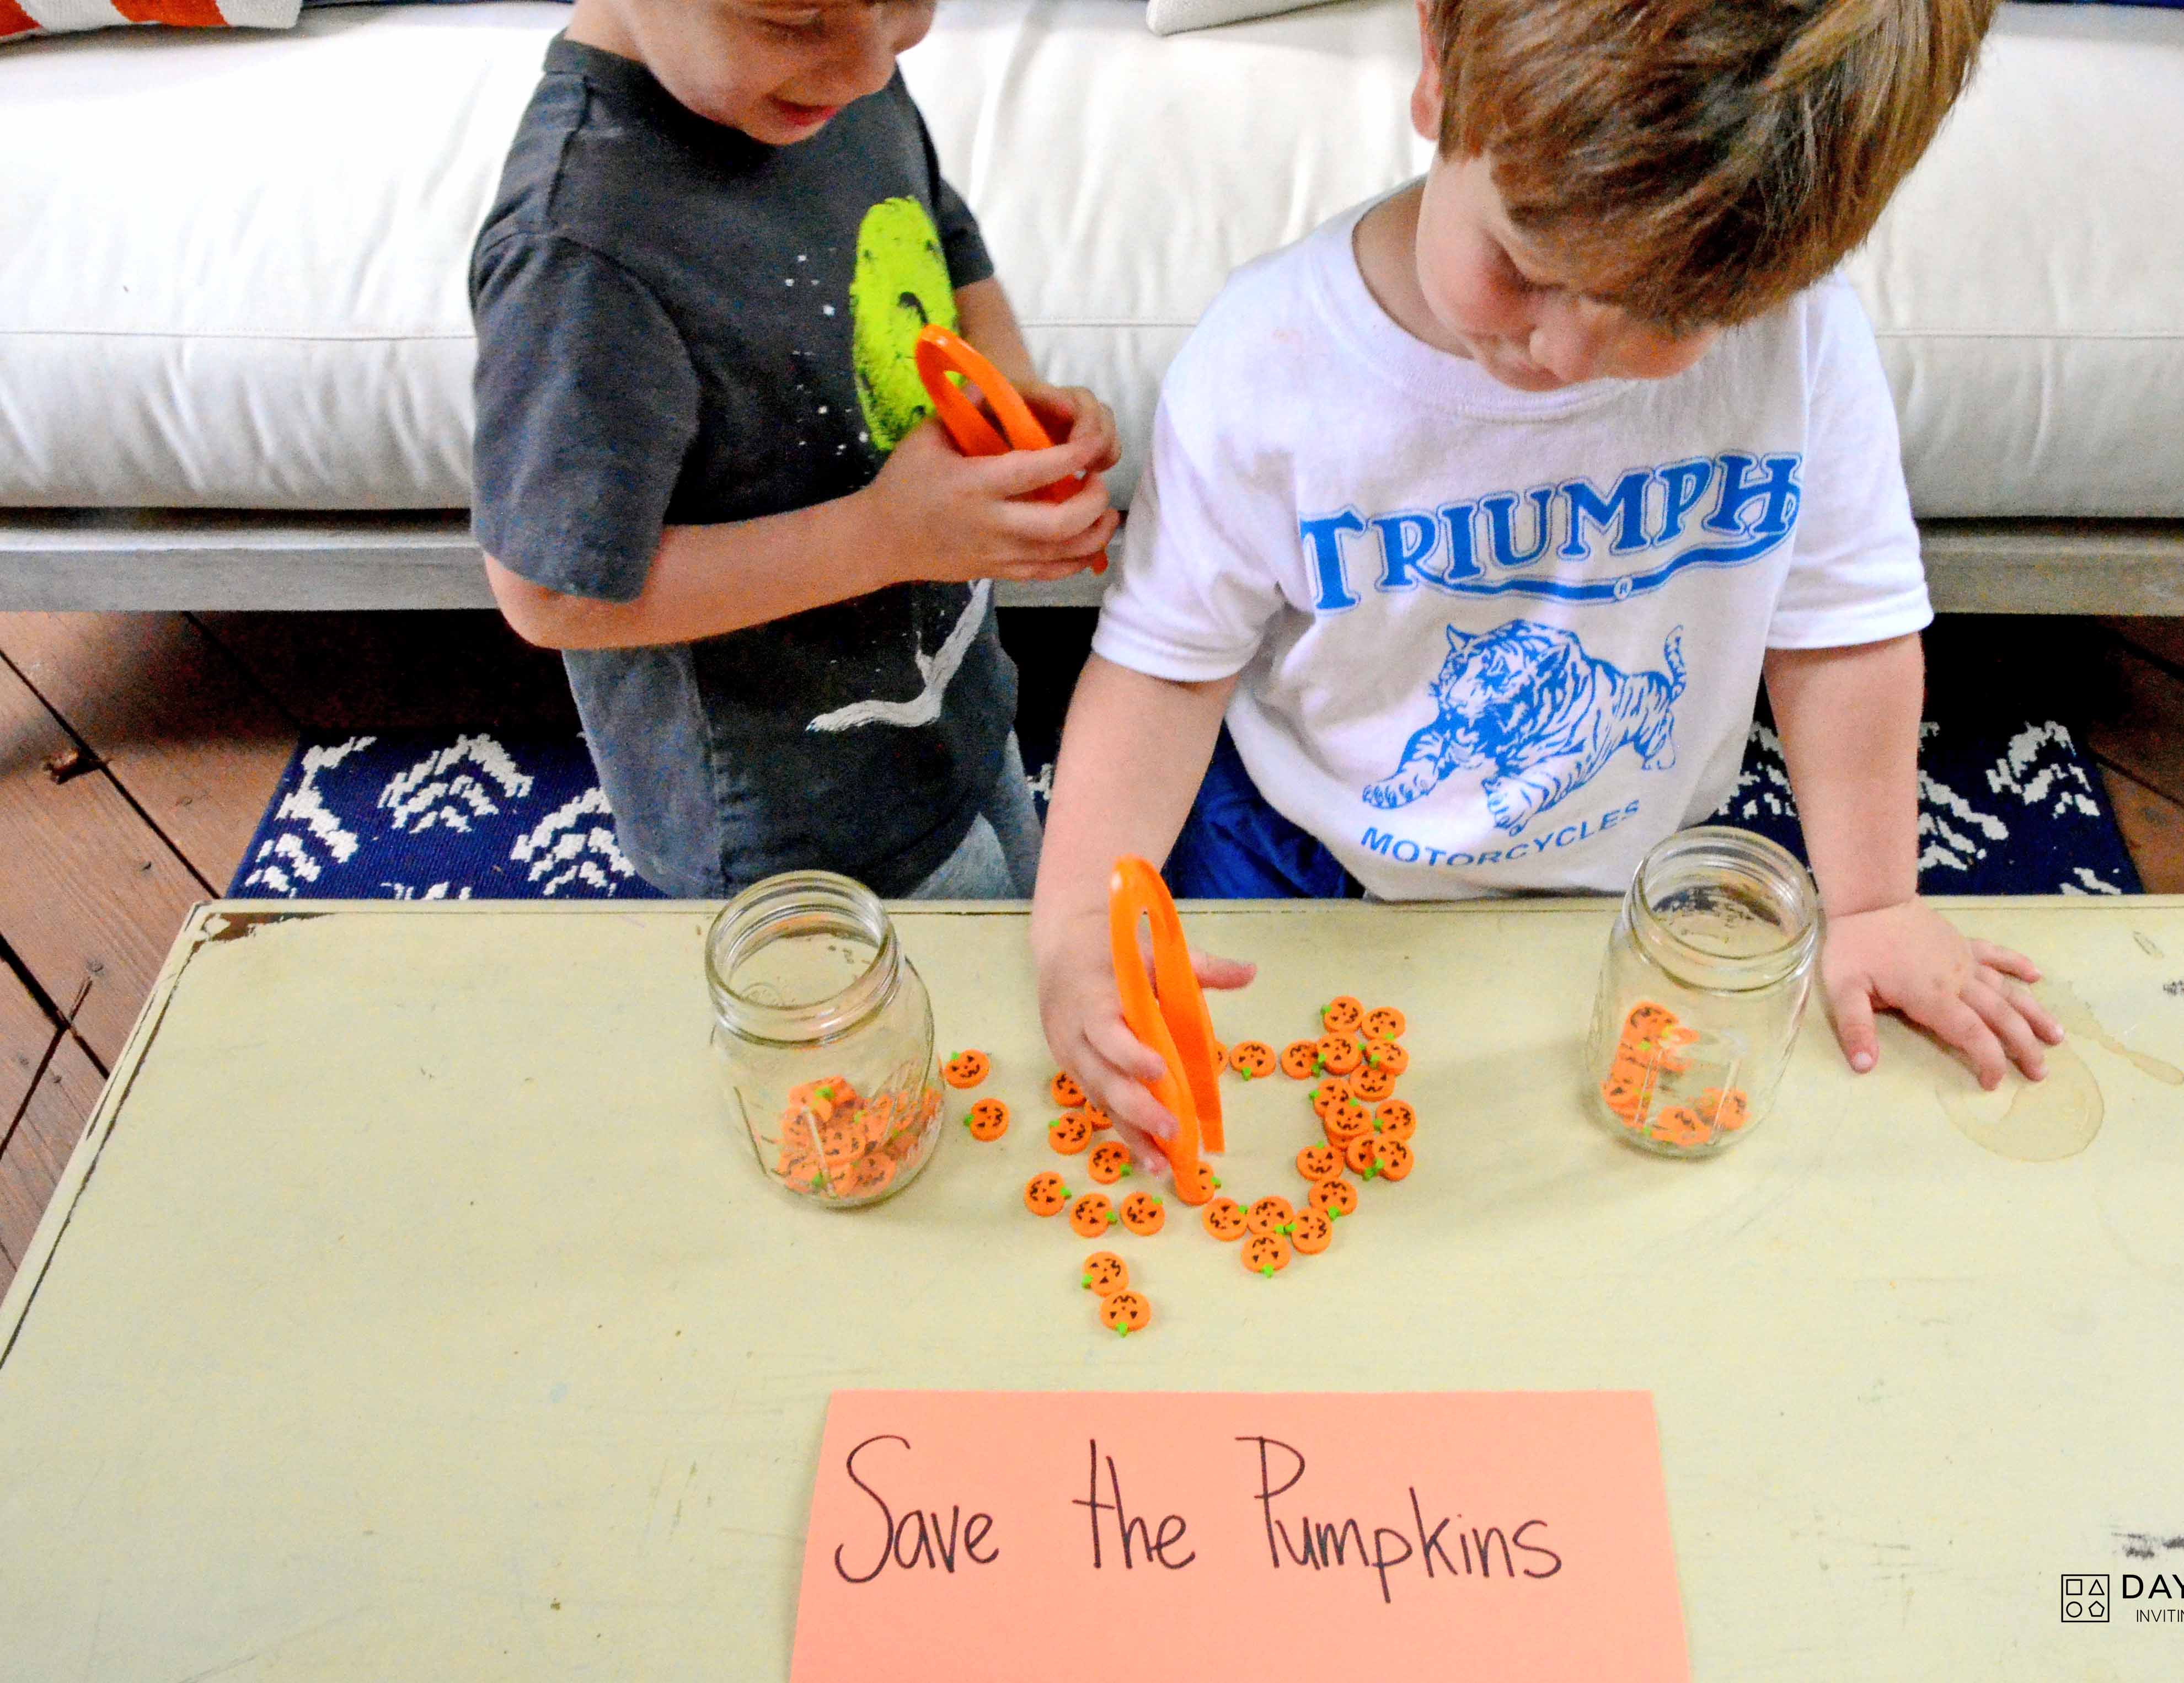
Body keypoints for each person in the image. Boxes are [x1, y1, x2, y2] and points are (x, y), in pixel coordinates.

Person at [1035, 0, 2064, 1171]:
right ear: (1437, 65)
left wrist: (1876, 903)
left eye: (1667, 317)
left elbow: (1847, 629)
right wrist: (1073, 927)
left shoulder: (1796, 335)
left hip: (1626, 867)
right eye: (1524, 268)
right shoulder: (1264, 367)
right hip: (1303, 843)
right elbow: (1163, 672)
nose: (1567, 356)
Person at [470, 0, 1118, 900]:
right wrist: (884, 537)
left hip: (960, 709)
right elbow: (549, 595)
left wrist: (1013, 418)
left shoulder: (822, 84)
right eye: (792, 16)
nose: (869, 67)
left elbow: (949, 249)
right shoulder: (579, 250)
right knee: (946, 1030)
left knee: (1025, 944)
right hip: (802, 835)